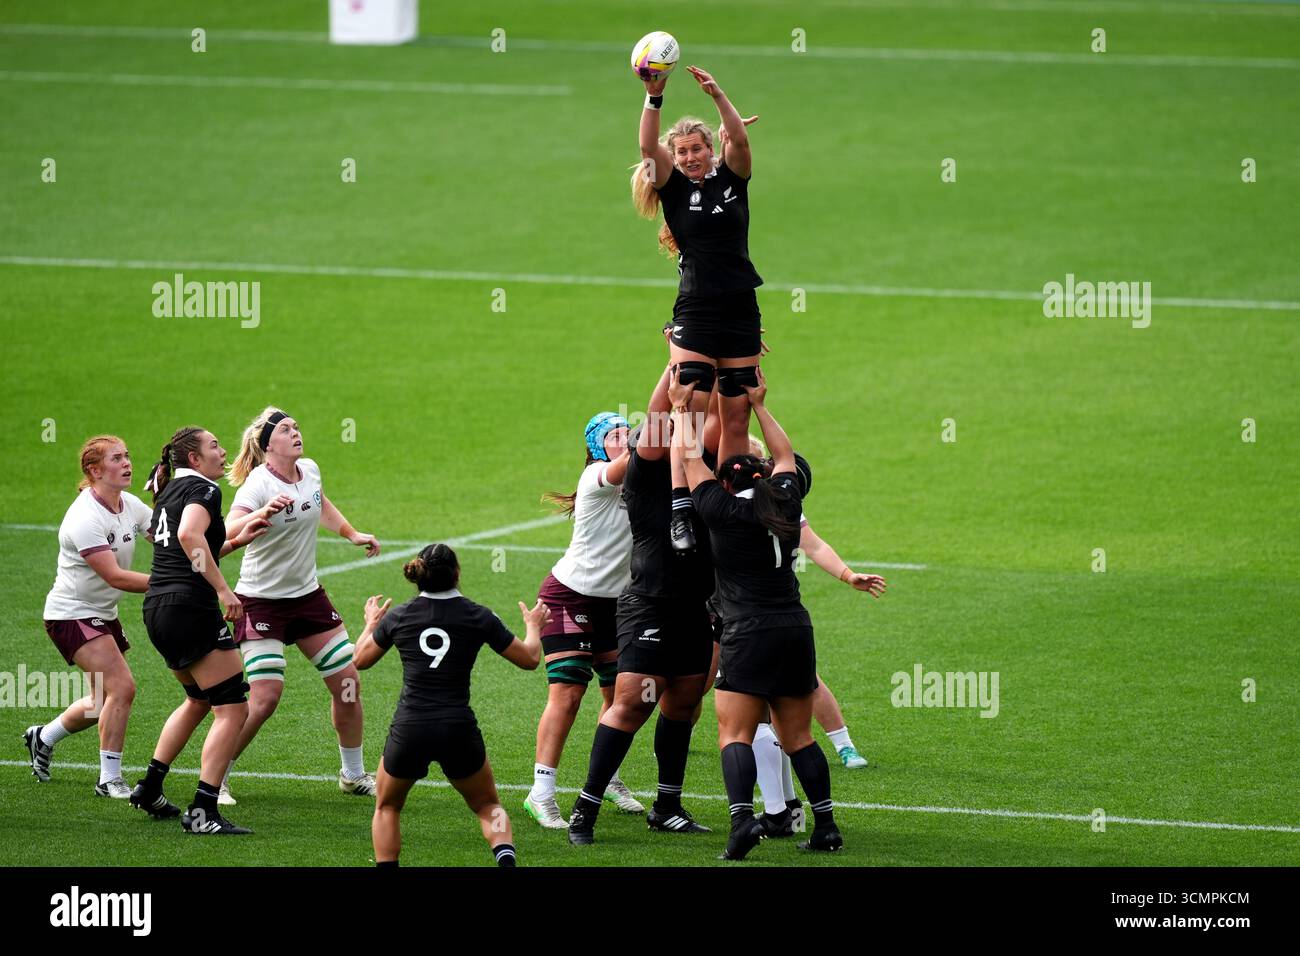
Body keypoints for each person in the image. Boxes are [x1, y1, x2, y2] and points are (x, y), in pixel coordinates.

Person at [670, 367, 842, 860]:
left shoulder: (718, 511)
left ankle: (742, 823)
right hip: (794, 627)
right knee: (798, 735)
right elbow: (786, 454)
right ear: (764, 475)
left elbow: (686, 456)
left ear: (726, 483)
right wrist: (761, 405)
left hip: (747, 630)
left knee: (735, 733)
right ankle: (826, 825)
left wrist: (682, 409)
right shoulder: (786, 502)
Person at [566, 371, 716, 845]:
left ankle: (666, 806)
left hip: (695, 607)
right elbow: (657, 423)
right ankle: (585, 809)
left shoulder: (698, 464)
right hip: (649, 605)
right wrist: (674, 366)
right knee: (631, 705)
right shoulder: (646, 472)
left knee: (683, 704)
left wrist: (718, 370)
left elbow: (715, 420)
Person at [632, 64, 764, 552]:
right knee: (686, 404)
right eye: (681, 150)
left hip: (742, 310)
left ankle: (732, 491)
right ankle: (682, 507)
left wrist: (719, 96)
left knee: (736, 413)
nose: (688, 157)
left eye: (696, 149)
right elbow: (648, 148)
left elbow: (740, 140)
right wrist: (654, 94)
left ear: (711, 151)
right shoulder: (673, 188)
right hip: (696, 311)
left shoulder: (734, 179)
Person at [221, 408, 382, 804]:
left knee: (347, 684)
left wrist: (351, 533)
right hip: (261, 603)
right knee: (264, 698)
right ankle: (217, 776)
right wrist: (262, 513)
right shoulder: (256, 486)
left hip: (307, 598)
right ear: (267, 444)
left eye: (296, 427)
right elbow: (225, 533)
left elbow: (319, 502)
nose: (296, 433)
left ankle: (353, 774)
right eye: (287, 430)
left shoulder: (309, 469)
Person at [354, 544, 548, 866]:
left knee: (388, 807)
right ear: (457, 574)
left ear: (418, 576)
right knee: (488, 806)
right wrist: (534, 626)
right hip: (457, 728)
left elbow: (360, 660)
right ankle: (506, 859)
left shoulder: (400, 615)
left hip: (410, 728)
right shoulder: (477, 615)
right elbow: (529, 659)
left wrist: (372, 623)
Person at [127, 426, 268, 834]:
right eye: (214, 447)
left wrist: (237, 540)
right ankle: (204, 810)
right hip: (190, 608)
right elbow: (190, 536)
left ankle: (150, 786)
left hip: (158, 608)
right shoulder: (204, 490)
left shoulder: (168, 491)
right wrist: (225, 591)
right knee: (233, 707)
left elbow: (190, 549)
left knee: (197, 700)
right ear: (194, 458)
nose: (223, 452)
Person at [525, 412, 644, 829]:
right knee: (569, 695)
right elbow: (635, 458)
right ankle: (540, 794)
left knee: (621, 698)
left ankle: (607, 777)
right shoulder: (596, 475)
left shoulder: (642, 475)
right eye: (615, 435)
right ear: (597, 447)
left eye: (628, 432)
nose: (625, 438)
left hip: (617, 604)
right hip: (568, 597)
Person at [25, 437, 152, 797]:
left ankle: (42, 737)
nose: (127, 463)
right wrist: (170, 585)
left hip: (101, 613)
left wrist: (176, 502)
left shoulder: (129, 504)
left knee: (101, 703)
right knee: (122, 688)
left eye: (127, 455)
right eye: (117, 458)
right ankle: (109, 779)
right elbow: (116, 577)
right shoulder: (84, 517)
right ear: (95, 471)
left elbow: (169, 538)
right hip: (71, 614)